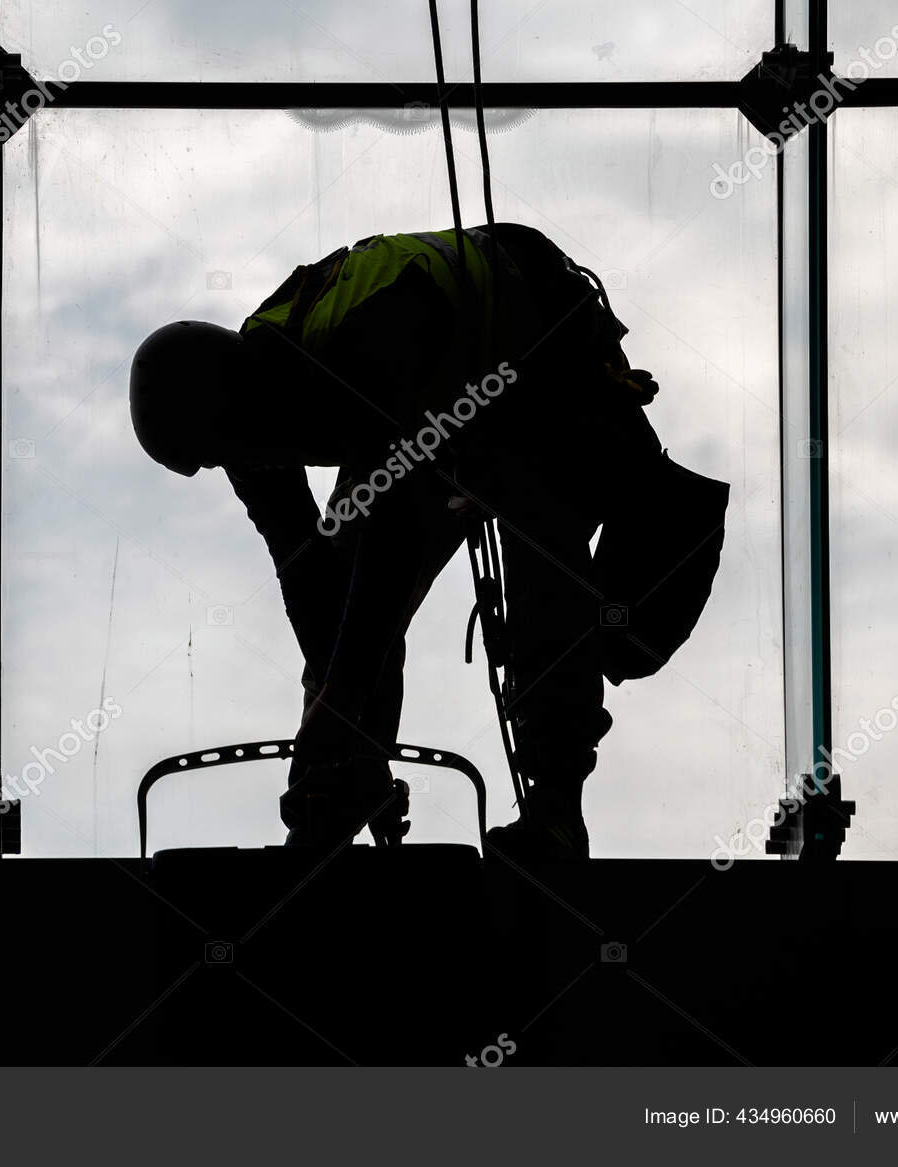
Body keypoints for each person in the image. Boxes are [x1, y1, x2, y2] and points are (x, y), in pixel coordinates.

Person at [128, 223, 725, 860]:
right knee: (346, 583)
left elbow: (399, 532)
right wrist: (351, 742)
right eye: (221, 458)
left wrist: (345, 704)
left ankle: (556, 810)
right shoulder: (242, 417)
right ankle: (327, 806)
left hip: (534, 355)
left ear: (241, 402)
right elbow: (308, 578)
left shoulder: (360, 336)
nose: (241, 464)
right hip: (415, 408)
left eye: (231, 448)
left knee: (543, 561)